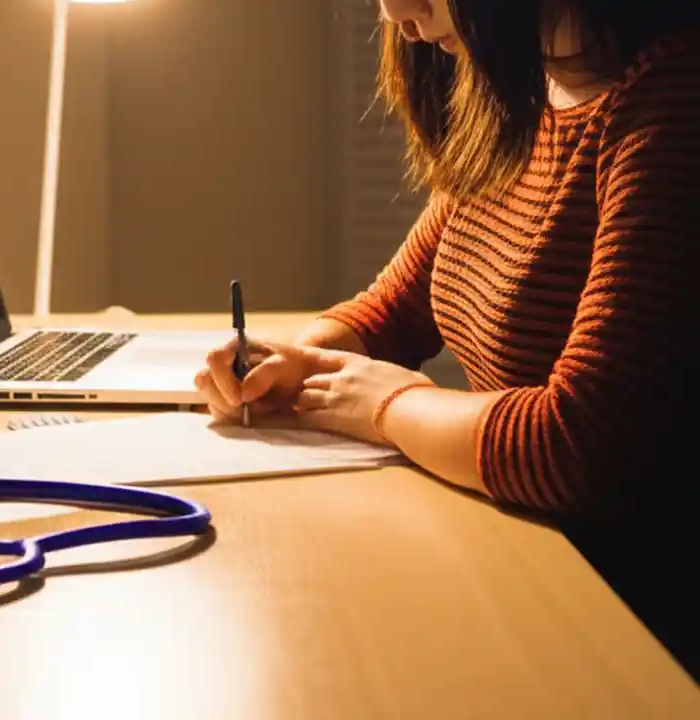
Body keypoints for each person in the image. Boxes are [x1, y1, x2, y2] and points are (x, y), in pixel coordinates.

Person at [196, 0, 699, 676]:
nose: (395, 10)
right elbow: (393, 311)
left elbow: (575, 446)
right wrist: (293, 362)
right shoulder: (527, 85)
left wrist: (385, 405)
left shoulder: (673, 108)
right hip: (532, 565)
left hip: (629, 628)